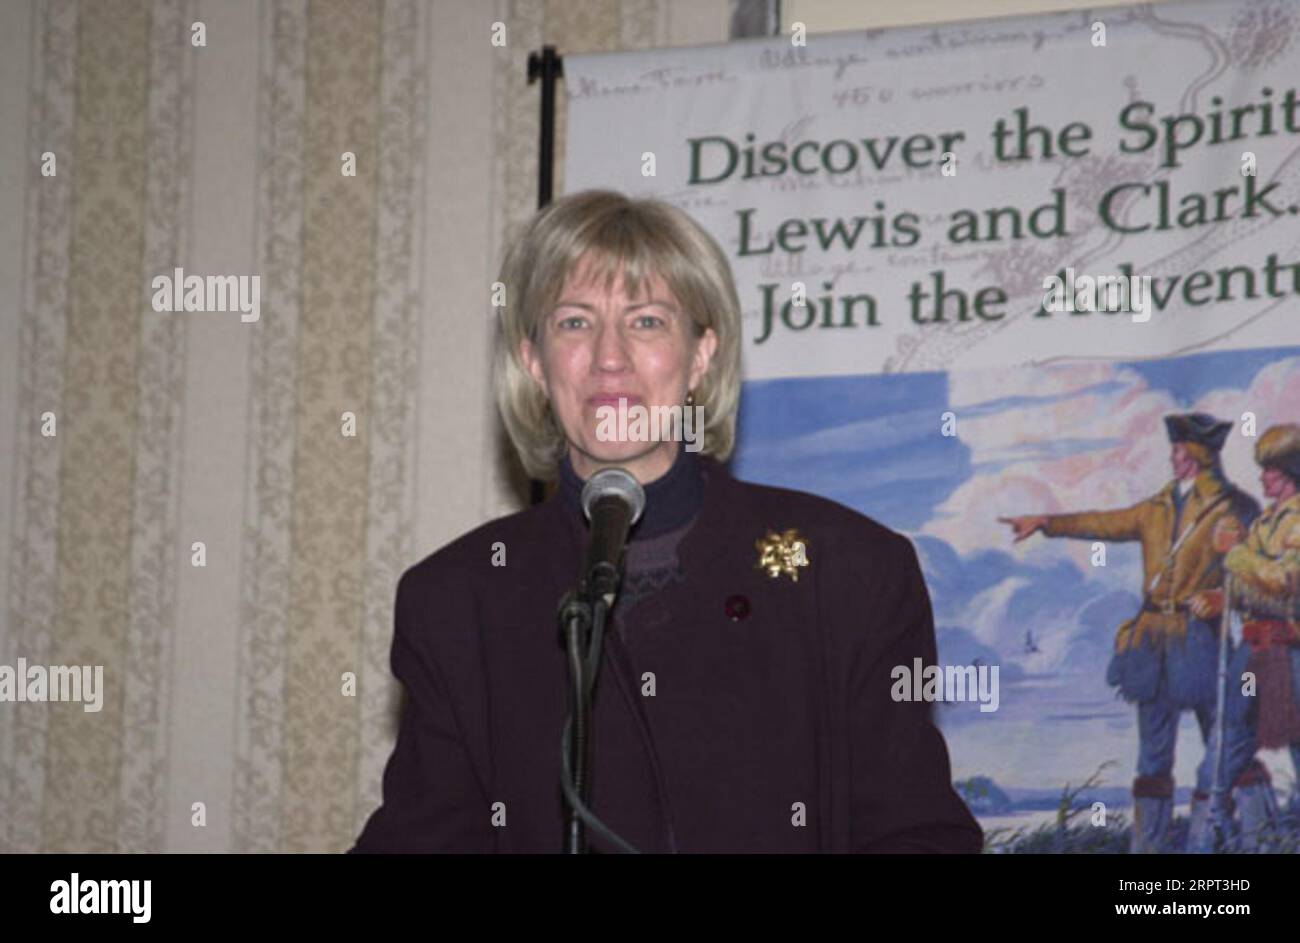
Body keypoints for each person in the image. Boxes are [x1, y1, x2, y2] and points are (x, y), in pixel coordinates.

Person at [349, 189, 983, 853]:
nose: (609, 356)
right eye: (574, 322)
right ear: (533, 361)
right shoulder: (457, 600)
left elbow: (918, 837)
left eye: (647, 321)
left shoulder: (848, 571)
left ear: (702, 354)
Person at [1000, 413, 1262, 853]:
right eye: (1174, 450)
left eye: (1181, 451)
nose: (1174, 458)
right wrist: (1046, 522)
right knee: (1153, 759)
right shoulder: (1155, 508)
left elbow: (1260, 574)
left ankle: (1239, 841)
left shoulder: (1238, 508)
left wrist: (1222, 597)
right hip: (1153, 647)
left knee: (1227, 748)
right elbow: (1104, 523)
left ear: (1200, 455)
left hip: (1204, 642)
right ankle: (1149, 850)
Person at [1216, 423, 1300, 839]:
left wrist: (1237, 557)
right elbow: (1246, 585)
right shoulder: (1266, 522)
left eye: (1269, 470)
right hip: (1254, 650)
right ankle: (1225, 822)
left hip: (1290, 650)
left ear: (1287, 473)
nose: (1262, 477)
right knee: (1235, 729)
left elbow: (1286, 582)